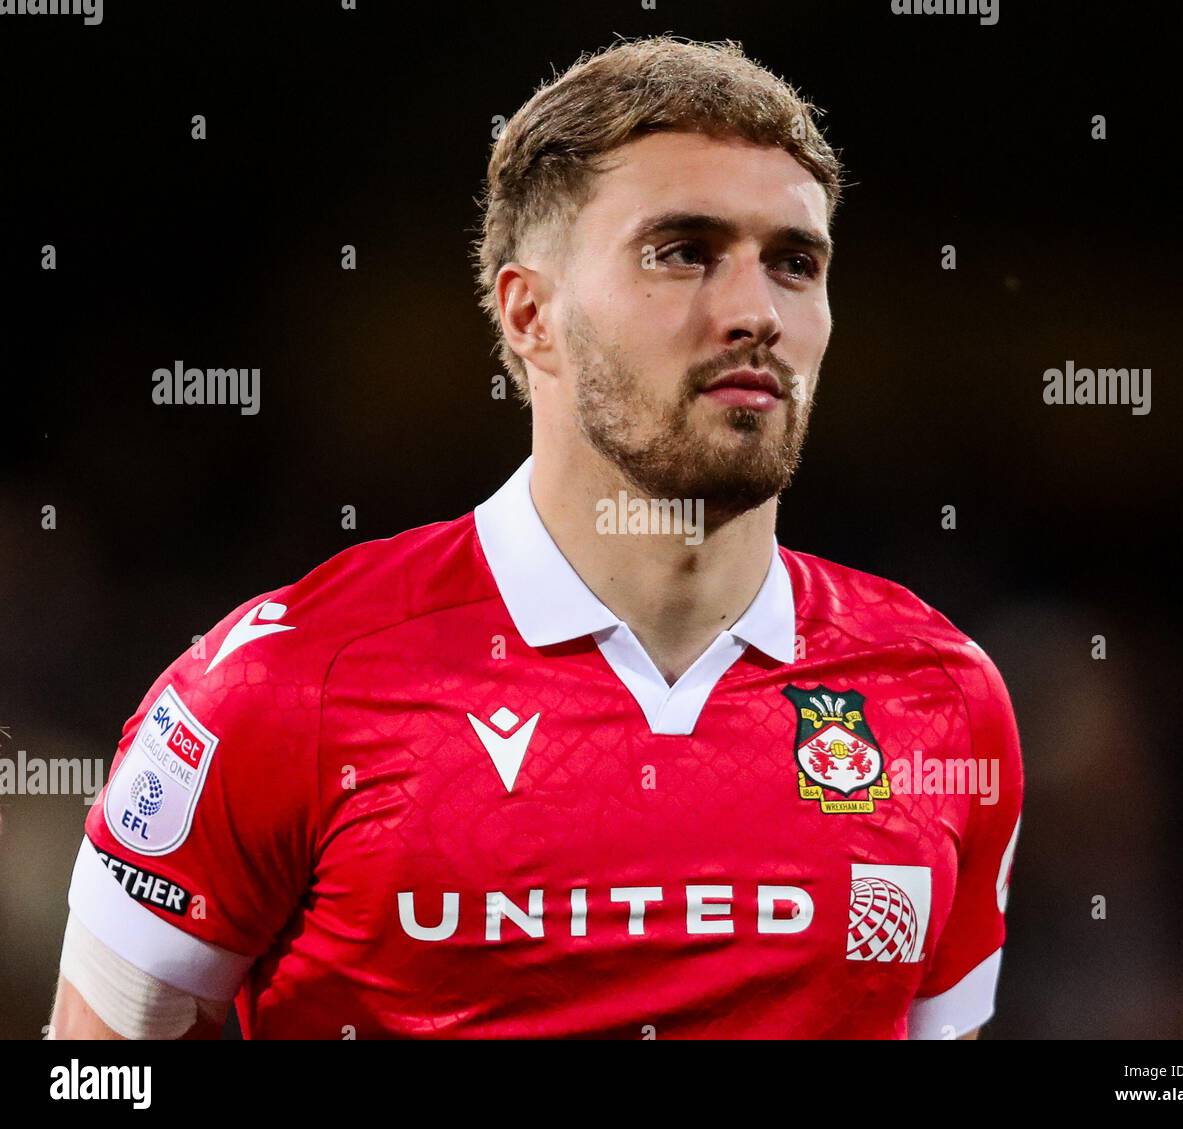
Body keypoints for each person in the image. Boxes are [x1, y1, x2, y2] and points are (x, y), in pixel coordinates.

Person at [50, 35, 1022, 1040]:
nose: (753, 312)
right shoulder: (285, 686)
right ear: (532, 314)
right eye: (682, 251)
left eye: (793, 263)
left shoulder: (941, 695)